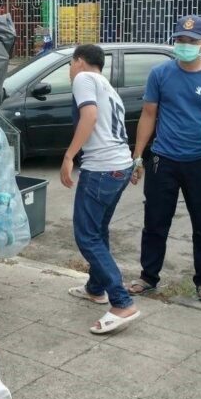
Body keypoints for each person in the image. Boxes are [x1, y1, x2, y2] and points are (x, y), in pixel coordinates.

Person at [128, 15, 201, 304]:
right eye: (180, 40)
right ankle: (148, 276)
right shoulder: (160, 74)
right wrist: (138, 156)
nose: (185, 45)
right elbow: (149, 114)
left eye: (191, 41)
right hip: (164, 159)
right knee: (155, 221)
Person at [60, 44, 139, 334]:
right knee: (99, 230)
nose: (70, 71)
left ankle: (121, 301)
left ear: (79, 61)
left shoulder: (84, 79)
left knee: (86, 236)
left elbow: (89, 117)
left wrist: (69, 156)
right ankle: (96, 288)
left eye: (70, 63)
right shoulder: (107, 85)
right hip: (119, 166)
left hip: (102, 168)